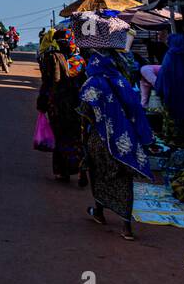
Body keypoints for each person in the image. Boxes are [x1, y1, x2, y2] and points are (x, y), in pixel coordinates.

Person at [79, 51, 155, 241]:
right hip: (125, 139)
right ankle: (126, 227)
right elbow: (136, 109)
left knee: (98, 174)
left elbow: (85, 112)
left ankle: (99, 211)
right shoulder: (123, 82)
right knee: (124, 180)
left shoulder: (92, 83)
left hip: (100, 138)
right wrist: (145, 138)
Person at [36, 28, 86, 184]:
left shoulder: (51, 59)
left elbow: (46, 84)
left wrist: (42, 103)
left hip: (56, 106)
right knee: (76, 138)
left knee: (60, 137)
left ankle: (63, 173)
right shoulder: (80, 61)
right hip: (75, 106)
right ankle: (81, 169)